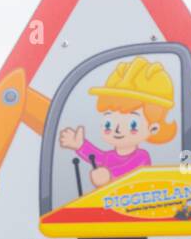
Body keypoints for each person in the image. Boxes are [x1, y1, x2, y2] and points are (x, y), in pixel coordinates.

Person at [58, 56, 178, 188]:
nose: (117, 129)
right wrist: (80, 146)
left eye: (133, 125)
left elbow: (130, 171)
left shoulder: (142, 157)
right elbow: (98, 157)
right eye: (109, 124)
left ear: (153, 129)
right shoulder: (109, 157)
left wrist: (109, 176)